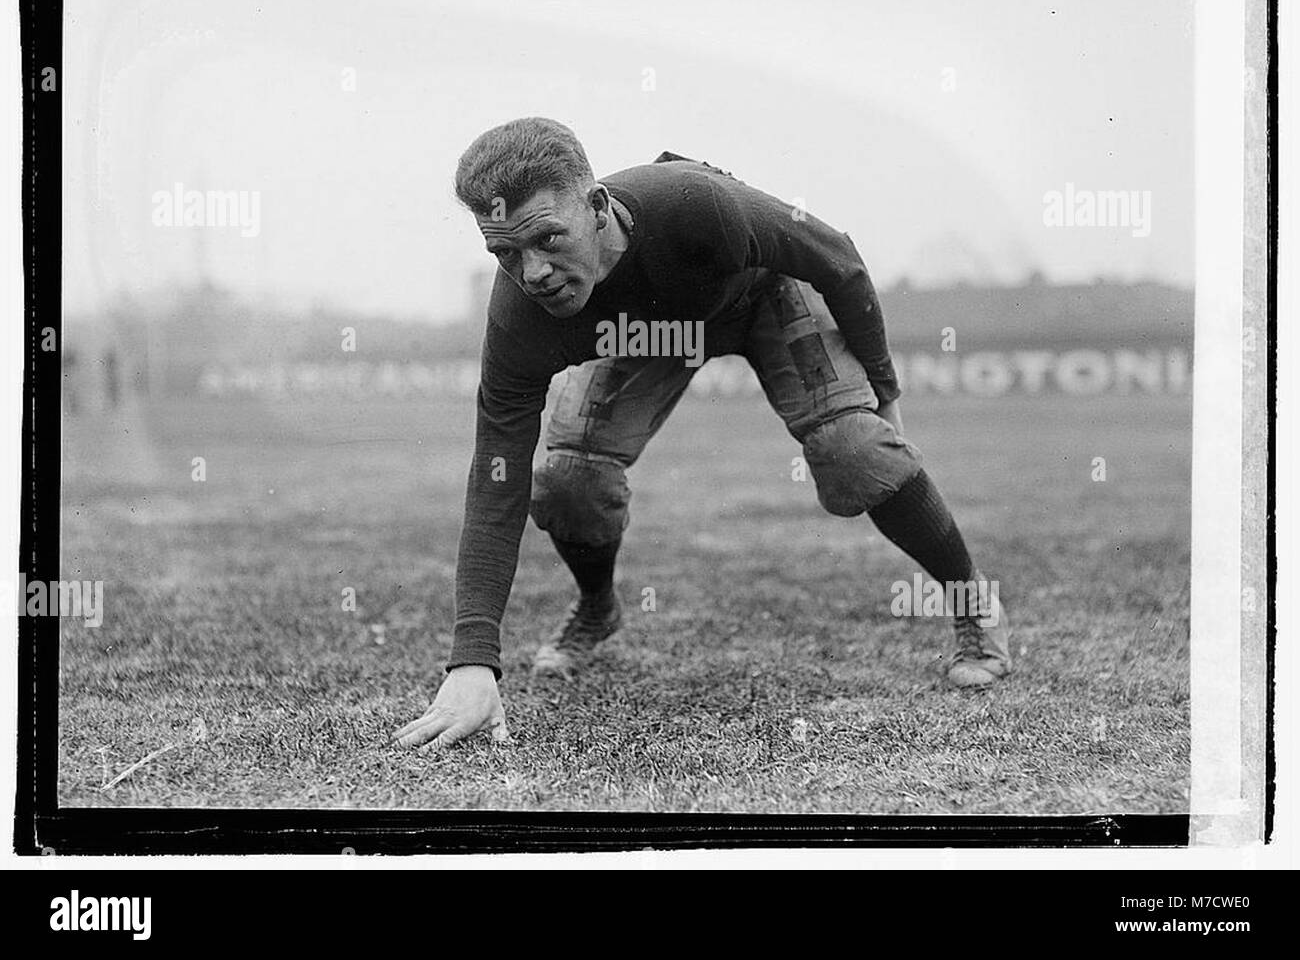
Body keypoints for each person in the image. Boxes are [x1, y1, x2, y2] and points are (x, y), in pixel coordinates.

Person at [394, 117, 1011, 751]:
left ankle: (973, 603)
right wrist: (473, 660)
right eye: (505, 253)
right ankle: (599, 608)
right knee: (569, 482)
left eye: (548, 238)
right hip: (648, 330)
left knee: (857, 450)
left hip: (761, 299)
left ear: (598, 207)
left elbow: (838, 259)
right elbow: (497, 478)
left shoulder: (696, 204)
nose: (534, 273)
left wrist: (884, 393)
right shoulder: (520, 317)